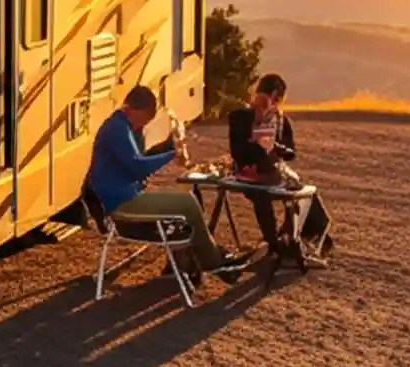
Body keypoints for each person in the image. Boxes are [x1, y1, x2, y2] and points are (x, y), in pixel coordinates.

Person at [83, 85, 248, 283]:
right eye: (144, 119)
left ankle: (195, 262)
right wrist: (172, 154)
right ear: (134, 109)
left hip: (124, 195)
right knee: (188, 203)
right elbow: (138, 166)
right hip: (123, 202)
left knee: (182, 200)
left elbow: (132, 164)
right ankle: (213, 261)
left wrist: (163, 148)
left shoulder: (119, 125)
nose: (143, 125)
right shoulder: (117, 129)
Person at [227, 73, 333, 261]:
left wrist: (277, 148)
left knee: (300, 192)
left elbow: (290, 152)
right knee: (263, 194)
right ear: (276, 94)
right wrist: (263, 140)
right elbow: (241, 152)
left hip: (270, 172)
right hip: (252, 174)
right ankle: (277, 243)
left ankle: (291, 238)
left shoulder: (280, 120)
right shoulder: (242, 117)